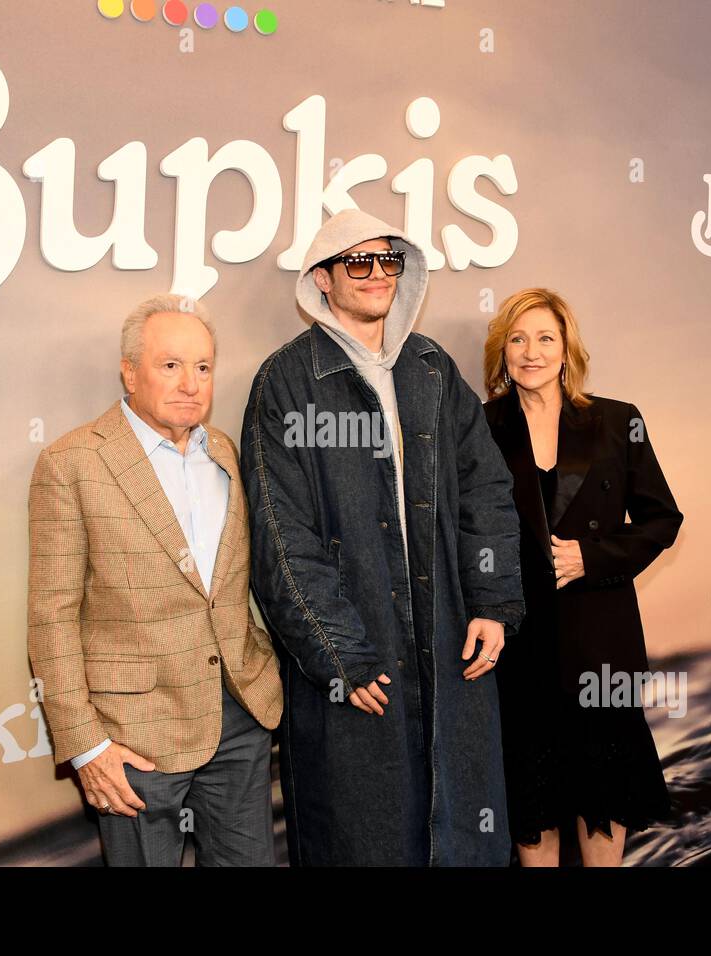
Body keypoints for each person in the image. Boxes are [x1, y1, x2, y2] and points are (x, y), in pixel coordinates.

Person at [240, 208, 525, 866]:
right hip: (354, 666)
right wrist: (342, 656)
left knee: (462, 835)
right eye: (356, 262)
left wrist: (491, 603)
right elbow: (283, 541)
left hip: (451, 643)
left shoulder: (432, 368)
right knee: (363, 835)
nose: (376, 275)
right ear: (322, 279)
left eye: (387, 260)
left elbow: (484, 490)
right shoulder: (286, 382)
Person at [26, 293, 283, 866]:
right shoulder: (71, 463)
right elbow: (52, 618)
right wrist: (87, 746)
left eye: (203, 367)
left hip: (239, 719)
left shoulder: (224, 452)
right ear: (129, 372)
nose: (190, 383)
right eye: (170, 365)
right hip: (133, 737)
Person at [481, 288, 683, 867]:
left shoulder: (619, 421)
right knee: (532, 802)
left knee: (602, 798)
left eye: (546, 338)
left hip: (599, 644)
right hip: (519, 652)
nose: (532, 352)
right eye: (517, 340)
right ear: (502, 354)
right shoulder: (480, 428)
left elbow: (662, 520)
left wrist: (590, 558)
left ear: (567, 349)